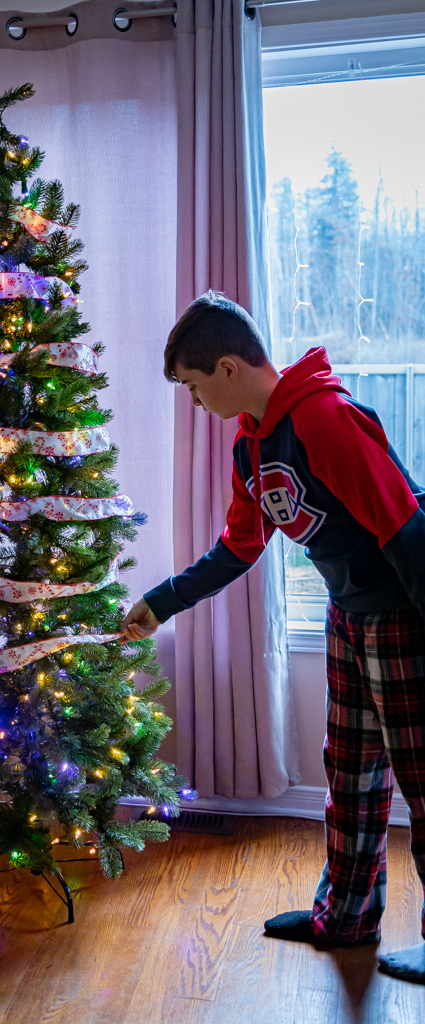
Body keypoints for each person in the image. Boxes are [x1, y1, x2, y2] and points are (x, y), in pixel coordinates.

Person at [121, 291, 425, 984]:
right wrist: (160, 603)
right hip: (347, 615)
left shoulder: (325, 419)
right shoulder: (250, 447)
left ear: (228, 368)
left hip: (399, 615)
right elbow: (238, 547)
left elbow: (403, 527)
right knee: (348, 774)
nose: (195, 404)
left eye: (195, 388)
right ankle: (345, 915)